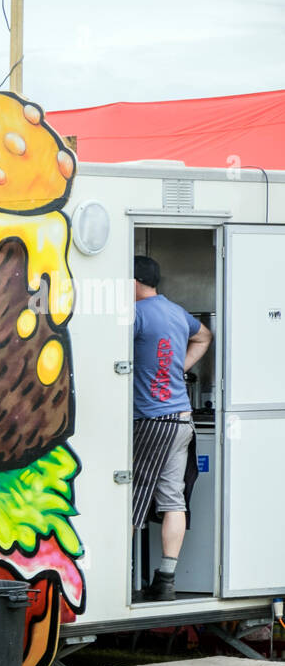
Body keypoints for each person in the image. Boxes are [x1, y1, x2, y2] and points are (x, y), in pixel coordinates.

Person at [131, 255, 212, 601]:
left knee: (128, 498)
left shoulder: (133, 314)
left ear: (132, 283)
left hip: (152, 420)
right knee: (172, 500)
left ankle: (117, 577)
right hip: (181, 420)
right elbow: (204, 336)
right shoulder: (177, 312)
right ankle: (165, 579)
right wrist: (178, 367)